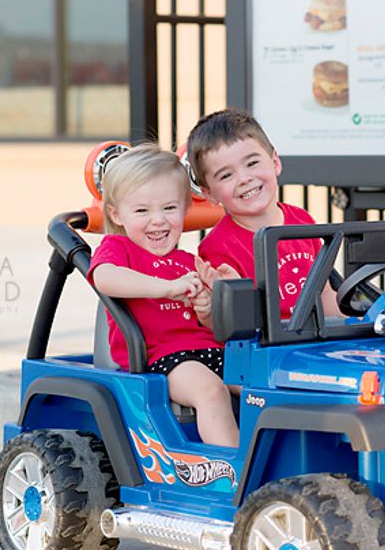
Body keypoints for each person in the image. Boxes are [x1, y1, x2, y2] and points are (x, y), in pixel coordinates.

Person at [88, 144, 238, 448]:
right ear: (117, 214)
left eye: (169, 208)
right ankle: (232, 475)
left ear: (185, 210)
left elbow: (209, 327)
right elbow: (105, 279)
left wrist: (206, 307)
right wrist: (166, 287)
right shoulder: (119, 249)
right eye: (142, 211)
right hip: (161, 359)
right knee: (211, 391)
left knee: (261, 385)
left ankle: (274, 461)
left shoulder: (187, 260)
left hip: (209, 351)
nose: (158, 220)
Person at [185, 108, 339, 319]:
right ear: (209, 194)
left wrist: (356, 324)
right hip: (265, 348)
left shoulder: (302, 220)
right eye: (227, 175)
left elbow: (325, 295)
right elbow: (231, 323)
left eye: (252, 163)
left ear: (275, 162)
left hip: (314, 343)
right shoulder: (218, 249)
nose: (244, 178)